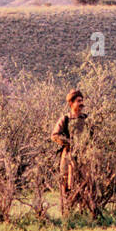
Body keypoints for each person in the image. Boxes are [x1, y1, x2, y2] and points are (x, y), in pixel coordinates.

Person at [50, 89, 88, 217]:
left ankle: (84, 215)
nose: (81, 103)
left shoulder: (87, 119)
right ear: (71, 103)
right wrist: (69, 143)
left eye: (82, 100)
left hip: (84, 158)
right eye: (78, 101)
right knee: (66, 187)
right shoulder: (65, 119)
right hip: (68, 158)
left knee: (84, 185)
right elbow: (55, 135)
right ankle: (67, 216)